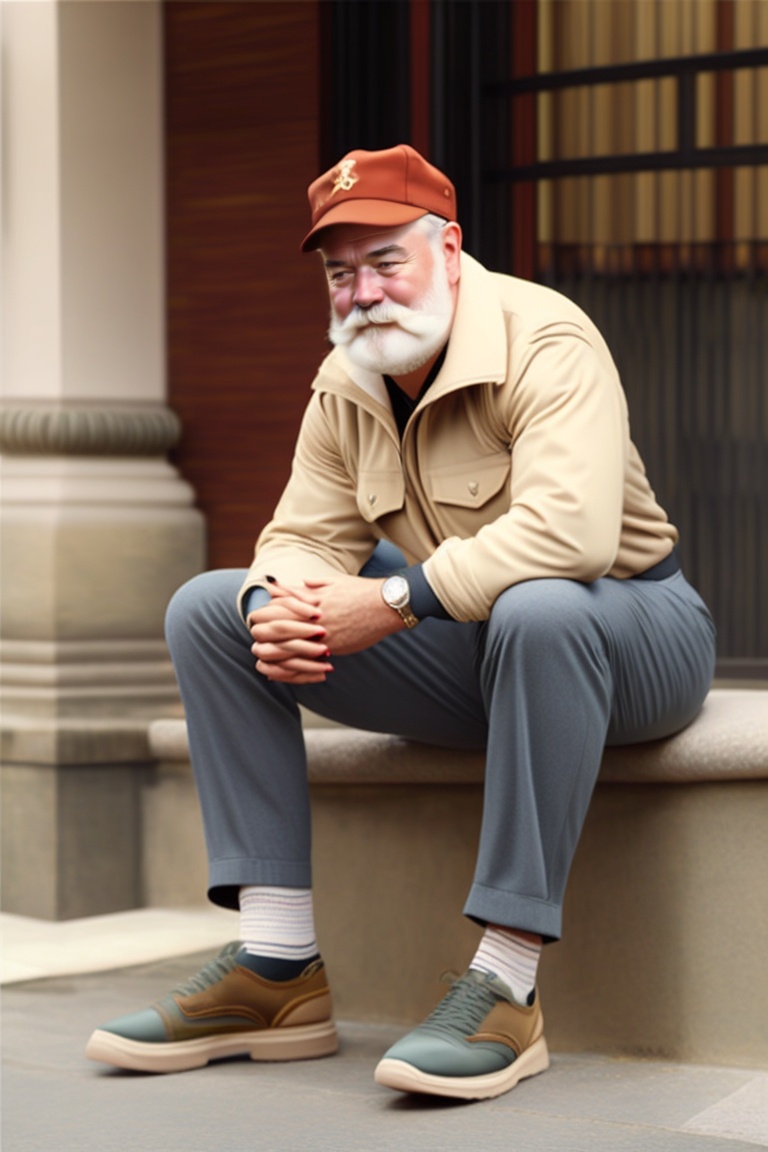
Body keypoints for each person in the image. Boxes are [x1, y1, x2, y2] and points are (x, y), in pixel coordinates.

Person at [86, 144, 715, 1100]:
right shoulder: (346, 382)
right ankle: (276, 966)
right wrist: (280, 606)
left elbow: (571, 535)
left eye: (386, 261)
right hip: (479, 650)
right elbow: (298, 536)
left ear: (451, 250)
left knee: (540, 606)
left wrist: (390, 600)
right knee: (213, 609)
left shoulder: (548, 339)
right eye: (342, 273)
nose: (363, 293)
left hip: (629, 634)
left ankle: (505, 983)